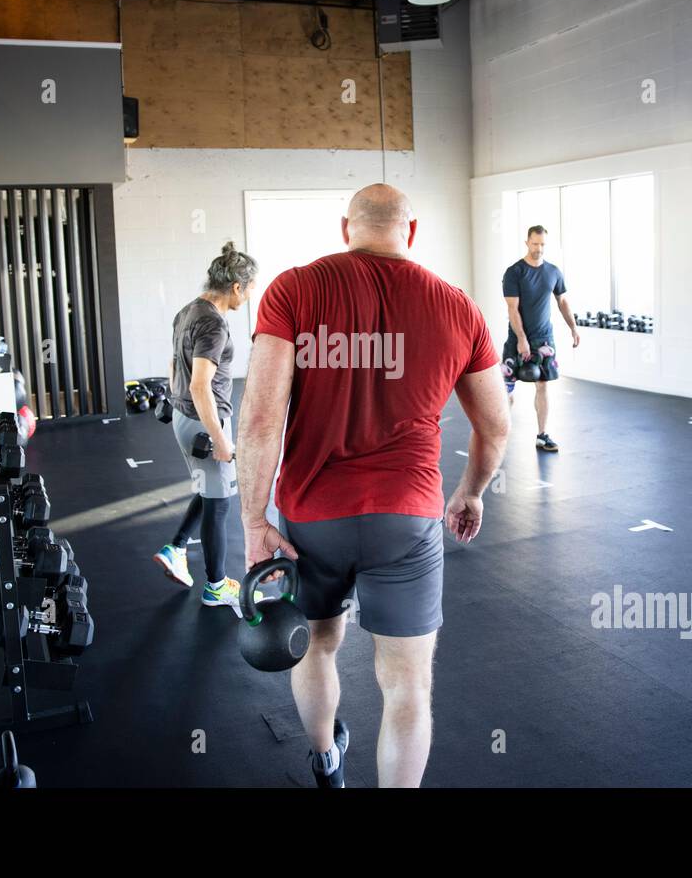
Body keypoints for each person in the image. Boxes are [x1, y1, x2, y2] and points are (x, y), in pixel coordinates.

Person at [236, 184, 510, 788]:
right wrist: (470, 492)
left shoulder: (293, 289)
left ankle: (325, 759)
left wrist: (254, 522)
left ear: (346, 228)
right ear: (410, 233)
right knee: (407, 683)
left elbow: (258, 418)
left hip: (312, 514)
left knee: (317, 644)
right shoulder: (459, 307)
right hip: (407, 518)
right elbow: (495, 427)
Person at [152, 241, 258, 609]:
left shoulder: (188, 311)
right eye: (250, 288)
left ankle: (176, 547)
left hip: (183, 416)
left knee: (209, 488)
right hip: (202, 422)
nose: (249, 296)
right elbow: (200, 385)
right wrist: (220, 439)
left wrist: (172, 397)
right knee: (220, 502)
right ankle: (216, 587)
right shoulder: (213, 324)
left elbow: (172, 365)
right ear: (236, 287)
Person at [502, 225, 580, 452]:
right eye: (535, 244)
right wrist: (521, 339)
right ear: (527, 242)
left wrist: (573, 328)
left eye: (542, 244)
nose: (539, 248)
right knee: (507, 388)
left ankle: (542, 435)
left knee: (543, 385)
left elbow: (563, 302)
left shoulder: (553, 272)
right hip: (518, 338)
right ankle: (501, 432)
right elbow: (512, 309)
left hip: (544, 339)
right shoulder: (514, 272)